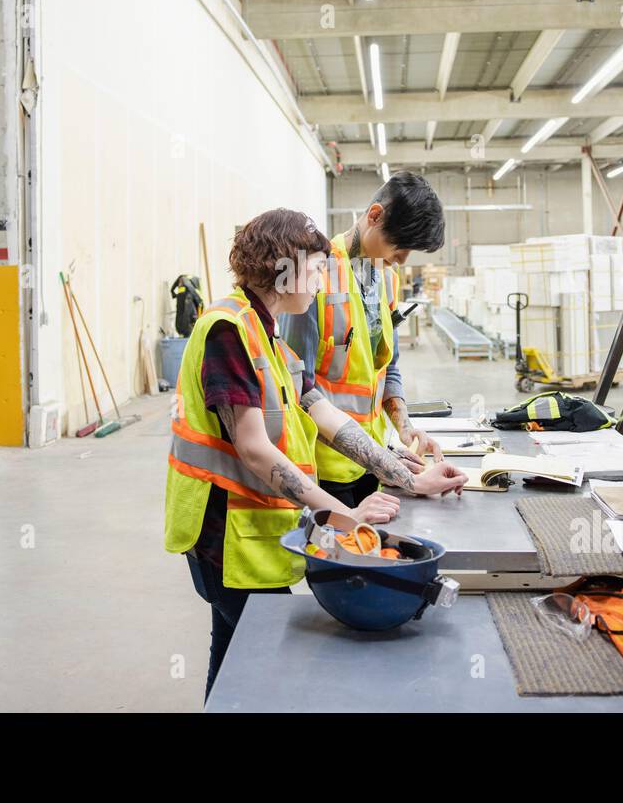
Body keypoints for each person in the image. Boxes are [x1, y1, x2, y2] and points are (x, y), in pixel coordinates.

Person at [165, 208, 468, 700]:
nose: (324, 279)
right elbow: (254, 449)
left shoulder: (270, 336)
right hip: (222, 535)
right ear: (283, 267)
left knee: (234, 653)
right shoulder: (228, 331)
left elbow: (329, 418)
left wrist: (409, 478)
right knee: (268, 663)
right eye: (317, 268)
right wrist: (344, 516)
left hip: (252, 532)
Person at [283, 171, 447, 508]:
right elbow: (296, 388)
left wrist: (404, 429)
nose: (402, 259)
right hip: (323, 471)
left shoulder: (384, 277)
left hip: (373, 464)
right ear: (374, 216)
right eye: (400, 246)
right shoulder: (314, 276)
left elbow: (388, 366)